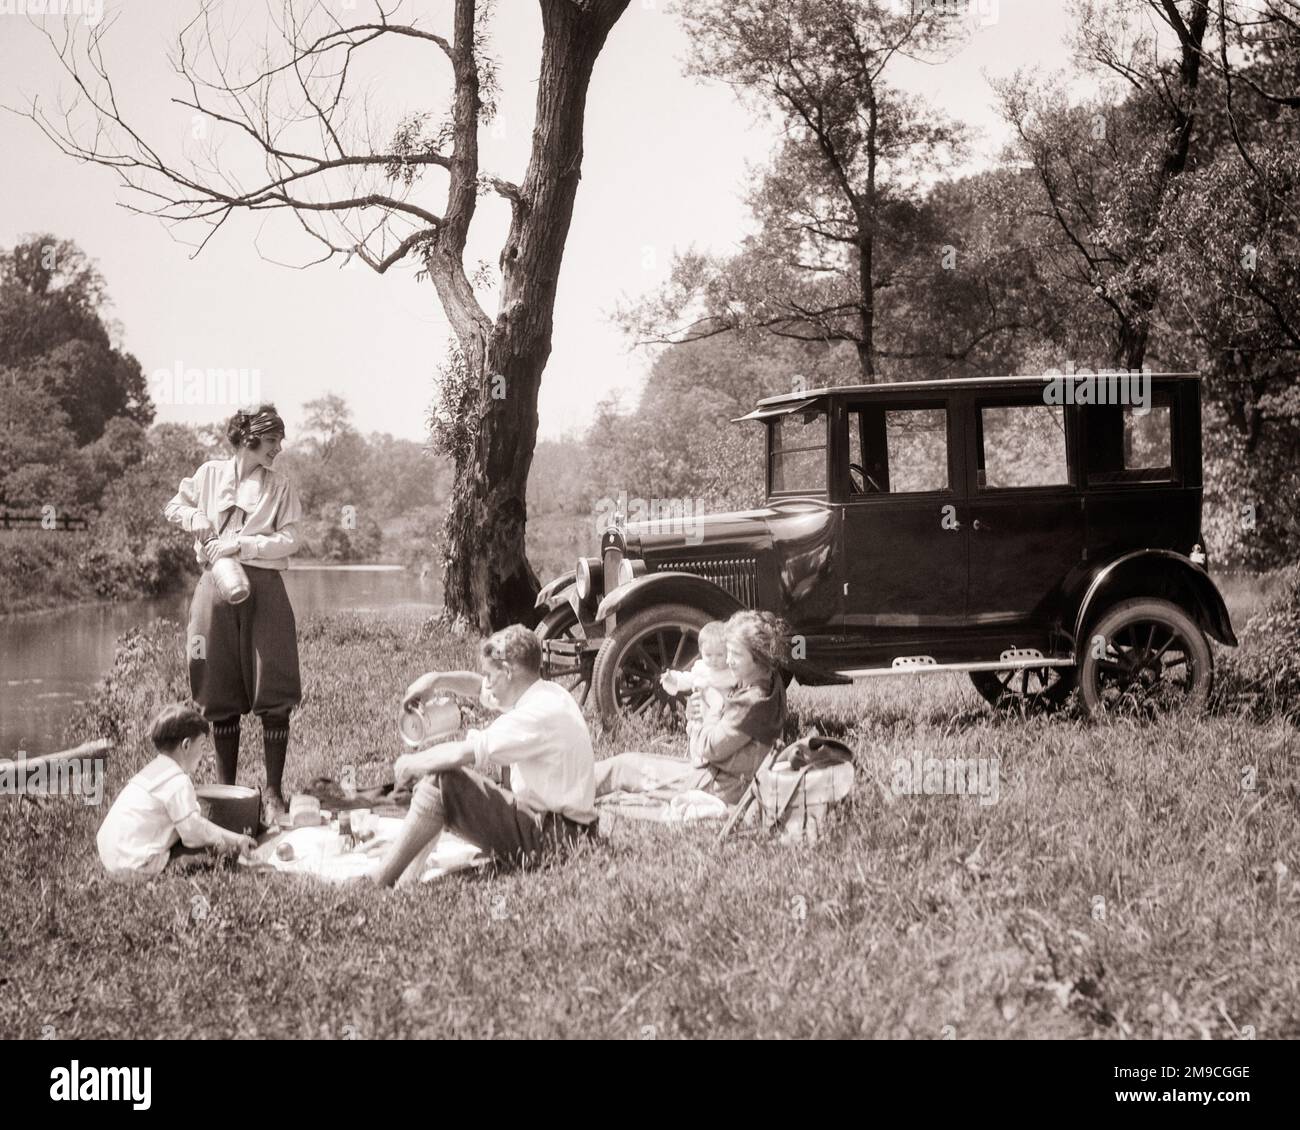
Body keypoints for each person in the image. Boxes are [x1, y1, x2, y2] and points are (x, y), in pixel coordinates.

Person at [369, 625, 598, 888]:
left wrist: (410, 763)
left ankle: (379, 881)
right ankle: (406, 879)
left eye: (491, 675)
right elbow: (479, 688)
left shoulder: (536, 714)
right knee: (441, 781)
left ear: (509, 672)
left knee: (443, 781)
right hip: (565, 828)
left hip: (556, 840)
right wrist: (437, 679)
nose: (486, 682)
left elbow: (462, 754)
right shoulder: (547, 693)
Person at [164, 403, 303, 824]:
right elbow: (173, 506)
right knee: (218, 688)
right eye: (272, 440)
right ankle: (229, 793)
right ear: (249, 440)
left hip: (264, 588)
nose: (278, 448)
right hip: (214, 587)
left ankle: (274, 793)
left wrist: (243, 546)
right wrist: (195, 517)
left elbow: (291, 540)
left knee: (273, 683)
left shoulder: (280, 488)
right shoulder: (208, 476)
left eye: (280, 441)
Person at [596, 610, 789, 805]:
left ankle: (572, 790)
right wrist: (697, 714)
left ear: (760, 656)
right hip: (724, 778)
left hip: (718, 785)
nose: (728, 661)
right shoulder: (768, 682)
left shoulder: (752, 702)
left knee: (622, 769)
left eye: (736, 654)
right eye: (728, 652)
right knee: (628, 763)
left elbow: (709, 747)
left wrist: (709, 711)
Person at [96, 705, 257, 880]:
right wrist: (236, 840)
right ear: (186, 745)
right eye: (202, 745)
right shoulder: (178, 781)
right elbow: (193, 834)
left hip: (112, 857)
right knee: (218, 854)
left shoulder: (155, 770)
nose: (203, 754)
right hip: (137, 865)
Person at [658, 620, 736, 767]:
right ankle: (697, 762)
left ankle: (716, 763)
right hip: (701, 715)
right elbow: (686, 679)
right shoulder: (701, 669)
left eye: (720, 655)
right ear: (701, 651)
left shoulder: (730, 673)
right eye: (708, 654)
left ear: (728, 651)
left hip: (721, 717)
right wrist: (673, 678)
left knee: (718, 743)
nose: (714, 660)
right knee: (696, 738)